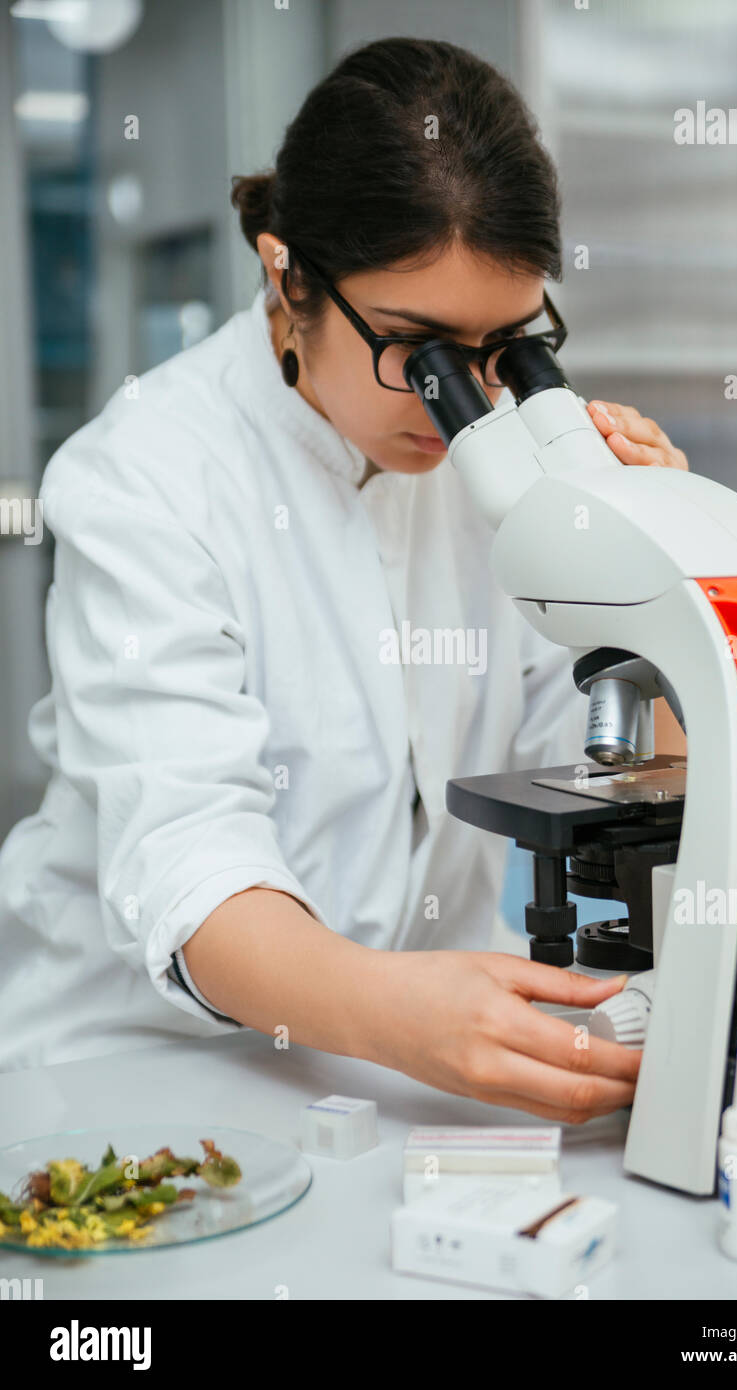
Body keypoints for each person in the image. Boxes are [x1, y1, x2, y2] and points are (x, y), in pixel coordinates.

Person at [0, 37, 687, 1124]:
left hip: (419, 1069)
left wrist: (667, 592)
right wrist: (402, 1015)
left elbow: (625, 778)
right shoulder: (145, 475)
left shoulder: (506, 476)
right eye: (416, 350)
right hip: (142, 1071)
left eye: (502, 347)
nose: (456, 398)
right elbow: (193, 863)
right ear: (288, 277)